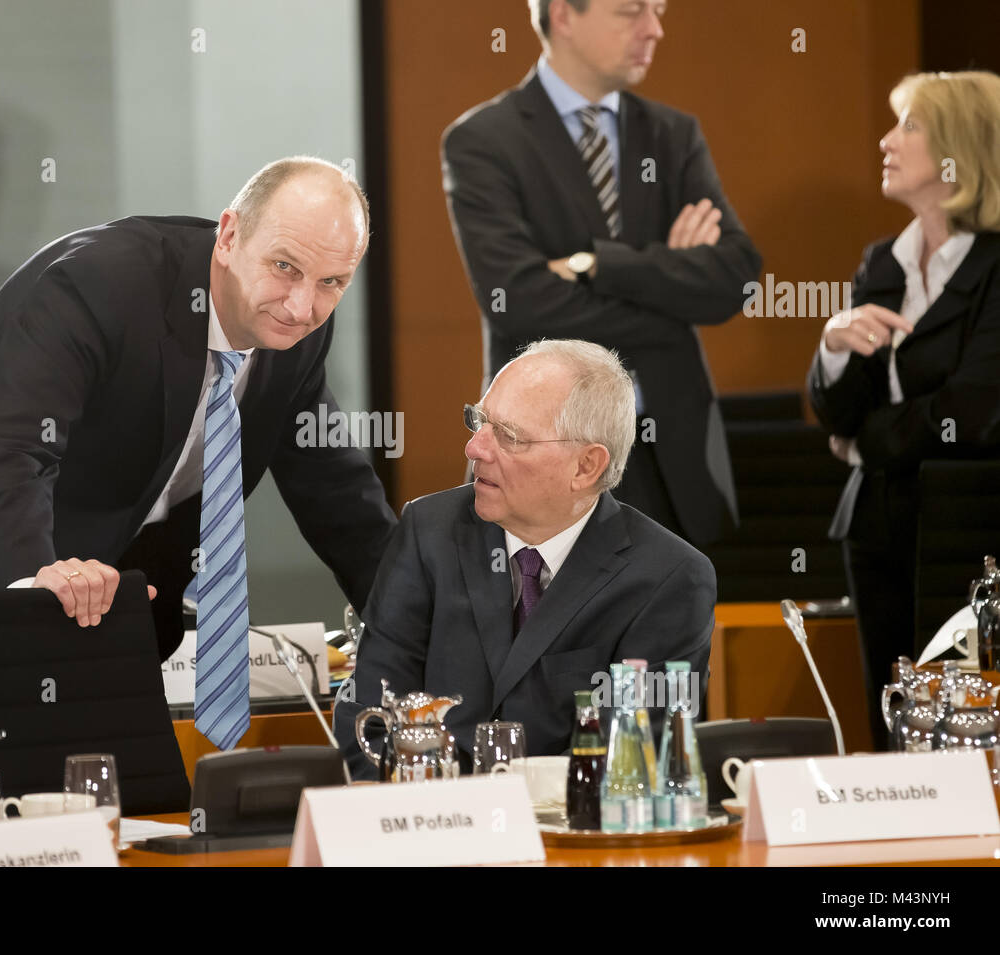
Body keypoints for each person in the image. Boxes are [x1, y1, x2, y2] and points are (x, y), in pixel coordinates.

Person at [0, 157, 398, 746]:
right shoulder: (106, 280)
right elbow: (11, 447)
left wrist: (414, 618)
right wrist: (34, 581)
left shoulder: (296, 333)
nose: (302, 306)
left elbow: (337, 493)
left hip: (88, 552)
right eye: (285, 267)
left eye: (331, 283)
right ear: (230, 234)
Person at [441, 0, 761, 547]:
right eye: (632, 11)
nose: (655, 29)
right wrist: (674, 299)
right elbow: (519, 303)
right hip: (546, 451)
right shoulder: (484, 140)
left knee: (682, 628)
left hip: (677, 454)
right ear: (563, 14)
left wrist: (597, 264)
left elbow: (736, 279)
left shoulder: (672, 134)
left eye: (658, 11)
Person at [333, 339, 716, 779]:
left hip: (571, 836)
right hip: (432, 826)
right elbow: (370, 711)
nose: (474, 449)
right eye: (478, 421)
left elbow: (636, 761)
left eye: (509, 436)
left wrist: (514, 819)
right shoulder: (429, 531)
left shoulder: (669, 578)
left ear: (586, 466)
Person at [807, 71, 1000, 749]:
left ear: (959, 149)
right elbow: (835, 412)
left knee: (963, 729)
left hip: (970, 527)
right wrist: (833, 346)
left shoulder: (996, 266)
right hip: (877, 525)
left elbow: (972, 411)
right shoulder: (880, 261)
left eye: (909, 126)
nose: (887, 141)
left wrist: (863, 446)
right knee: (889, 722)